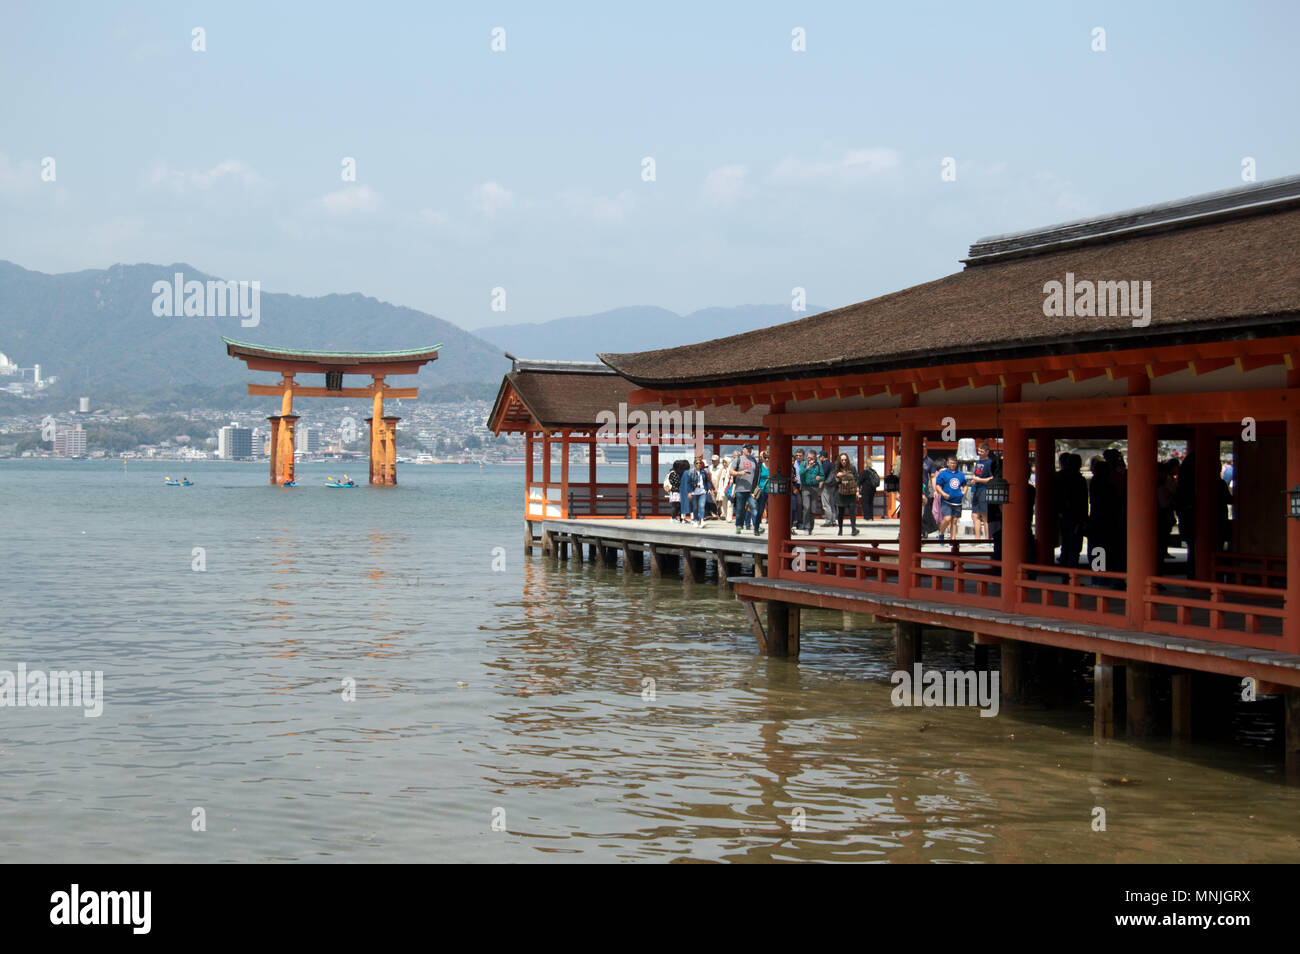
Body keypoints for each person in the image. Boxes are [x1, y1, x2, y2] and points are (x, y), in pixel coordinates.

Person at [1054, 453, 1088, 568]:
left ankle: (1065, 574)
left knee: (1066, 544)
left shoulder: (1058, 477)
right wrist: (1084, 519)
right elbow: (1083, 501)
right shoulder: (1079, 480)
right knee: (1074, 547)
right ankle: (1072, 572)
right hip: (1076, 517)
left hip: (1062, 516)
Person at [934, 454, 966, 541]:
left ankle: (953, 539)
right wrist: (943, 493)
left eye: (954, 463)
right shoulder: (943, 474)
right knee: (947, 519)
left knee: (954, 521)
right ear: (947, 463)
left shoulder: (960, 474)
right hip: (946, 500)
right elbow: (938, 486)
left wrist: (964, 491)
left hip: (957, 501)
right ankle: (941, 533)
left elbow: (965, 485)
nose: (953, 465)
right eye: (951, 463)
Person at [967, 442, 995, 540]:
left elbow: (992, 478)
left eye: (982, 451)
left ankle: (987, 538)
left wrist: (979, 480)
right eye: (979, 451)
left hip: (985, 490)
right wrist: (974, 480)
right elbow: (977, 475)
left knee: (985, 515)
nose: (980, 453)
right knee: (975, 515)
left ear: (987, 452)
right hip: (977, 490)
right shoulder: (978, 462)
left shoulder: (989, 463)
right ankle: (977, 538)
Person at [729, 445, 757, 535]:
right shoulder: (737, 460)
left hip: (751, 490)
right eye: (747, 449)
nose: (749, 450)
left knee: (754, 507)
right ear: (743, 449)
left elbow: (757, 473)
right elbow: (731, 471)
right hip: (740, 489)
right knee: (740, 509)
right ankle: (739, 526)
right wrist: (740, 473)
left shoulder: (753, 460)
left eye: (750, 449)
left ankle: (757, 526)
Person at [833, 453, 861, 536]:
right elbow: (833, 482)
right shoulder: (836, 469)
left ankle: (853, 529)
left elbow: (856, 479)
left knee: (852, 511)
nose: (844, 461)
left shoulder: (852, 467)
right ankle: (840, 529)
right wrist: (838, 477)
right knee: (840, 512)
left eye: (845, 460)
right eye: (842, 460)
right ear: (839, 461)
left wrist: (857, 490)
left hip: (851, 492)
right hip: (840, 493)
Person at [682, 457, 714, 527]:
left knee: (702, 506)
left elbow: (707, 481)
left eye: (700, 463)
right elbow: (688, 483)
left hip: (702, 491)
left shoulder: (704, 472)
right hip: (694, 492)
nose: (699, 464)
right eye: (697, 463)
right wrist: (689, 492)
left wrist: (709, 489)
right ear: (694, 464)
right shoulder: (691, 472)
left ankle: (702, 520)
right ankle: (696, 520)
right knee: (695, 507)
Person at [798, 450, 821, 533]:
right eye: (808, 457)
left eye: (811, 458)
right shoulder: (803, 464)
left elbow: (822, 475)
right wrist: (808, 468)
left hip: (815, 488)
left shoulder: (818, 465)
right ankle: (806, 526)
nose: (809, 459)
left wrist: (820, 478)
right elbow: (801, 473)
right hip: (805, 488)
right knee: (806, 507)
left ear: (815, 458)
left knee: (813, 509)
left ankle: (811, 526)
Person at [750, 451, 770, 535]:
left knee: (772, 511)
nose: (767, 459)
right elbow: (755, 479)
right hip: (761, 490)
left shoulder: (774, 467)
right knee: (760, 510)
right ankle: (756, 528)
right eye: (765, 458)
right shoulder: (760, 466)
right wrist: (752, 491)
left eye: (769, 457)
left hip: (771, 491)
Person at [818, 451, 837, 526]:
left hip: (826, 485)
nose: (820, 458)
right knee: (832, 503)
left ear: (822, 457)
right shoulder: (832, 464)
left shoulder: (825, 464)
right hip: (832, 485)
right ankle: (833, 520)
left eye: (820, 457)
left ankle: (828, 521)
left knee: (826, 504)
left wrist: (820, 484)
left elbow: (823, 475)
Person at [710, 454, 730, 522]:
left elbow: (720, 478)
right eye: (713, 460)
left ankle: (722, 514)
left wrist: (717, 487)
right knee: (713, 501)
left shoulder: (722, 467)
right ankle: (714, 514)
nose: (714, 462)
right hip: (712, 486)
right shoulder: (710, 467)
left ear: (718, 461)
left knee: (721, 500)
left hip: (719, 486)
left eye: (715, 460)